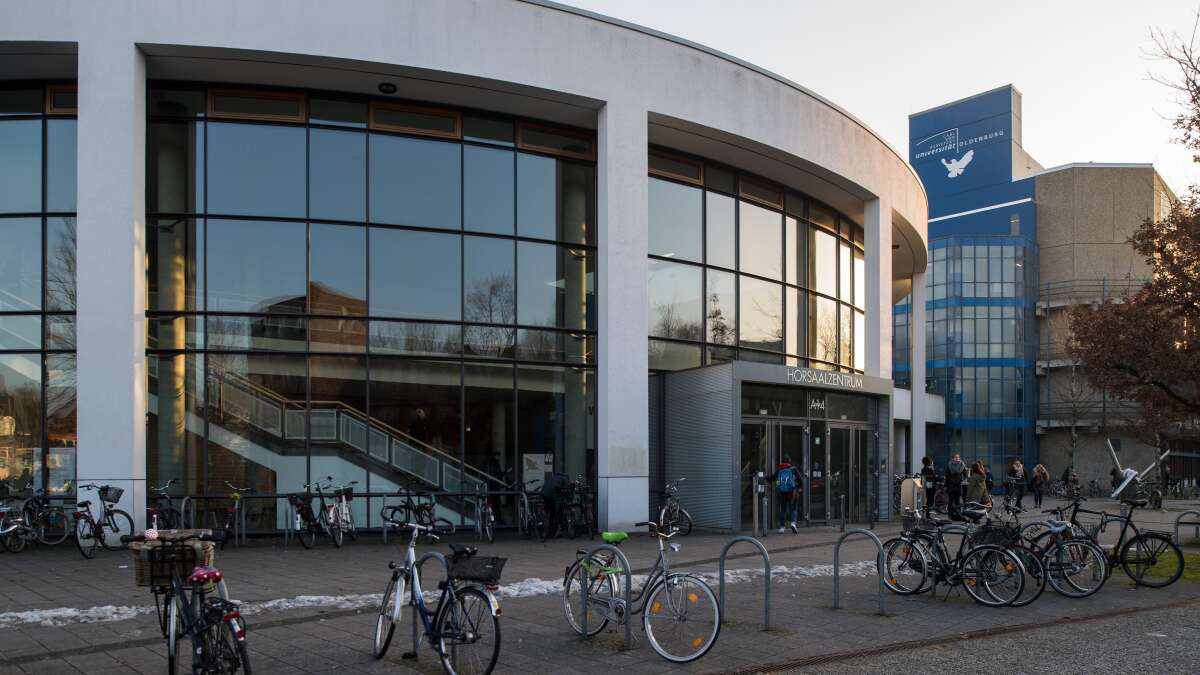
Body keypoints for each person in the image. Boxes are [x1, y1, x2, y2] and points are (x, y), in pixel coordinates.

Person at [770, 457, 801, 533]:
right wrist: (799, 487)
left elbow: (772, 478)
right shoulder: (793, 469)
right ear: (789, 462)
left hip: (782, 493)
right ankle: (793, 523)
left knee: (783, 510)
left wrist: (765, 477)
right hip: (792, 493)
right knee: (793, 509)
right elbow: (800, 480)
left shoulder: (779, 469)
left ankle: (782, 527)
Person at [540, 471, 569, 538]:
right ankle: (551, 532)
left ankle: (545, 526)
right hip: (551, 495)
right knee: (553, 513)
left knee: (548, 510)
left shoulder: (554, 477)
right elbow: (566, 488)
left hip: (544, 493)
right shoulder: (564, 478)